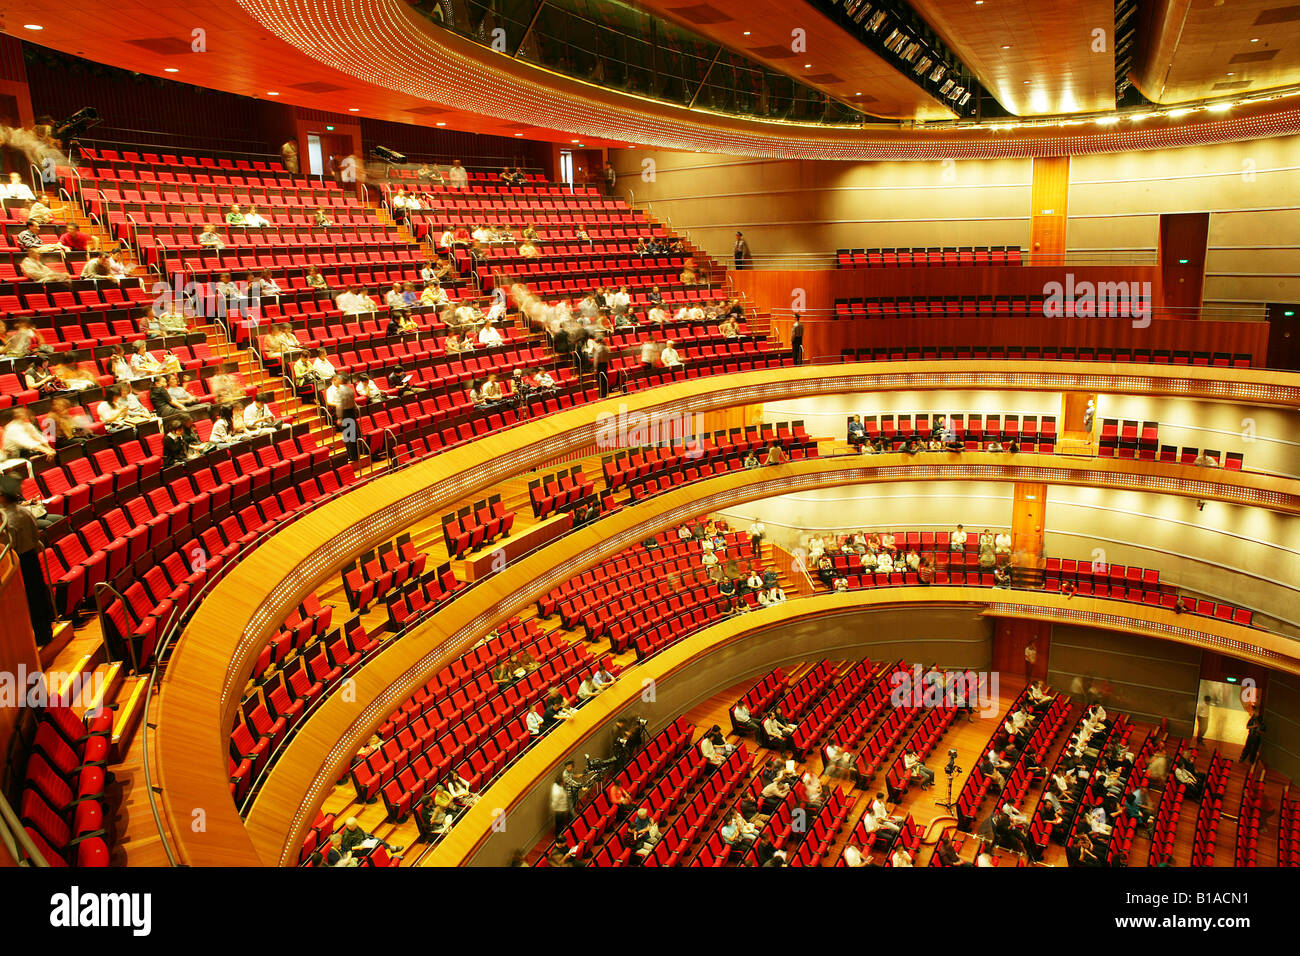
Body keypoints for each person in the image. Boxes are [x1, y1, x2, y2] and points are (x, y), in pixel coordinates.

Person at [0, 488, 53, 646]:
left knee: (30, 598)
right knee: (39, 593)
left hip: (19, 560)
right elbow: (35, 533)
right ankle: (47, 629)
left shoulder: (6, 518)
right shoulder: (24, 511)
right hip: (32, 555)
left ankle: (40, 635)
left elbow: (10, 546)